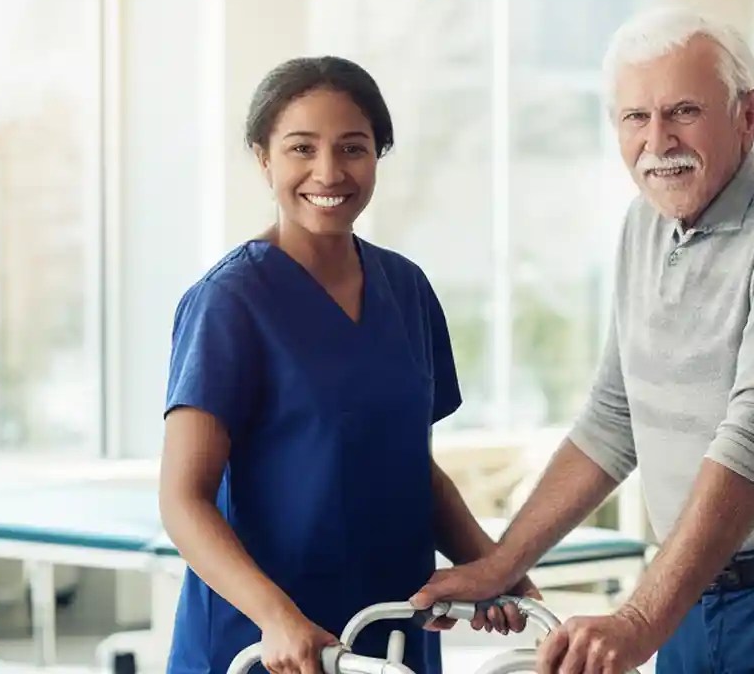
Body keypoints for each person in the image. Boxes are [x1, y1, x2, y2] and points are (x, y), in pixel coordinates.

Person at [410, 8, 754, 673]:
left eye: (684, 111)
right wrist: (501, 564)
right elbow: (613, 415)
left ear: (749, 114)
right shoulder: (644, 223)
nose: (658, 141)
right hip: (695, 592)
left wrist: (637, 617)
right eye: (635, 118)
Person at [158, 55, 536, 674]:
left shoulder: (406, 288)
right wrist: (276, 616)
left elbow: (417, 471)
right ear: (263, 158)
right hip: (264, 643)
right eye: (301, 148)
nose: (328, 172)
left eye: (352, 148)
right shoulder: (229, 302)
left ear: (378, 156)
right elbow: (183, 500)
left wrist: (500, 571)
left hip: (388, 628)